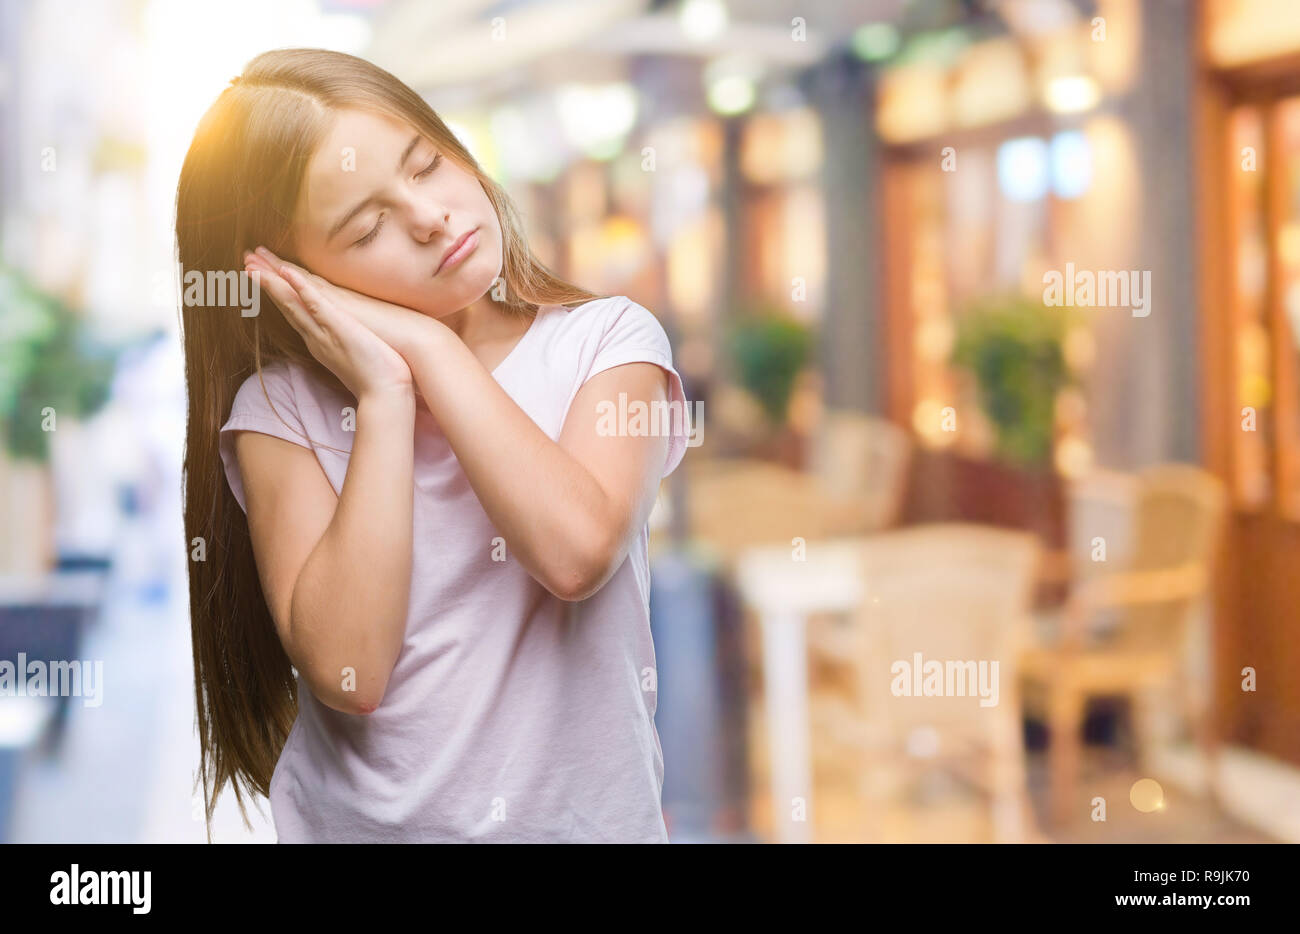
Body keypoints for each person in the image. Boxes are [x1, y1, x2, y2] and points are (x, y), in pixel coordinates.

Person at [176, 48, 690, 842]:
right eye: (368, 225)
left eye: (425, 165)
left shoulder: (609, 344)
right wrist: (386, 395)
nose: (429, 218)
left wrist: (435, 350)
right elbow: (353, 672)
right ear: (296, 280)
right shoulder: (282, 411)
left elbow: (576, 552)